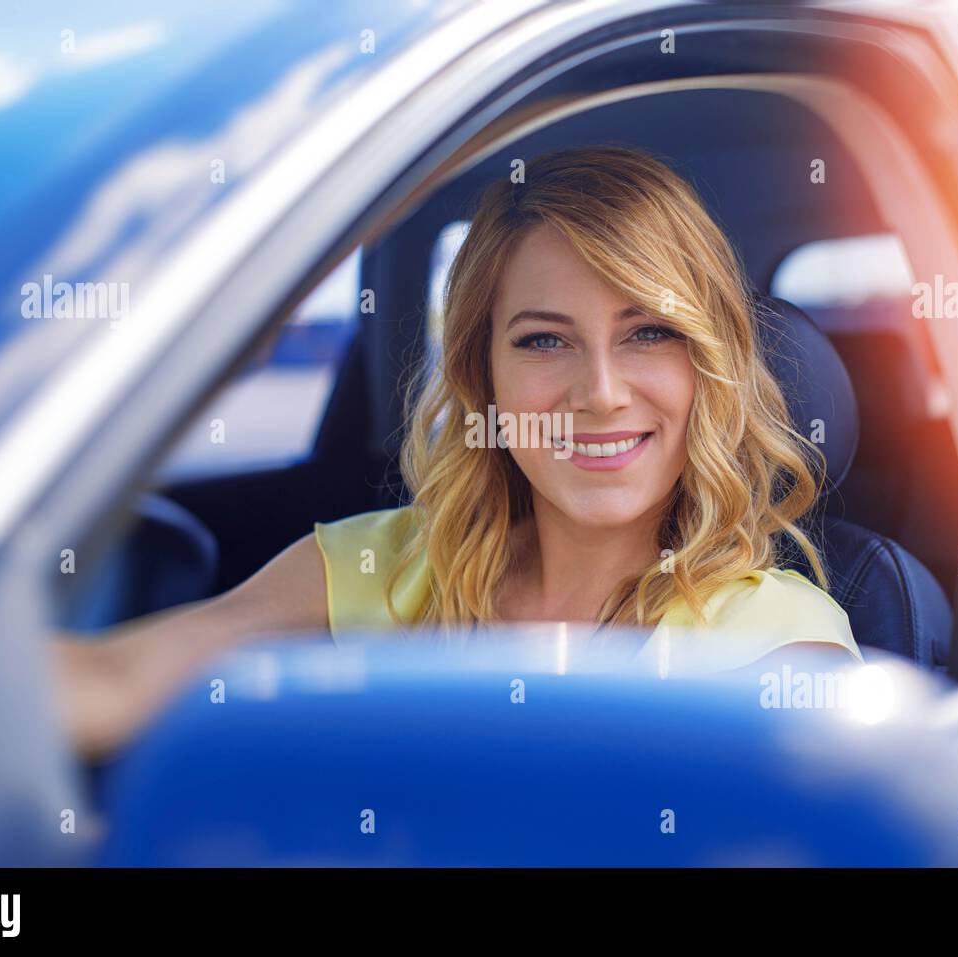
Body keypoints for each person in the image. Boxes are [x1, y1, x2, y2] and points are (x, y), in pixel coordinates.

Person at [54, 144, 862, 760]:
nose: (602, 391)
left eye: (649, 332)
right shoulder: (380, 569)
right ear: (485, 378)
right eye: (545, 340)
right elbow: (107, 685)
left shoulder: (777, 638)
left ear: (704, 365)